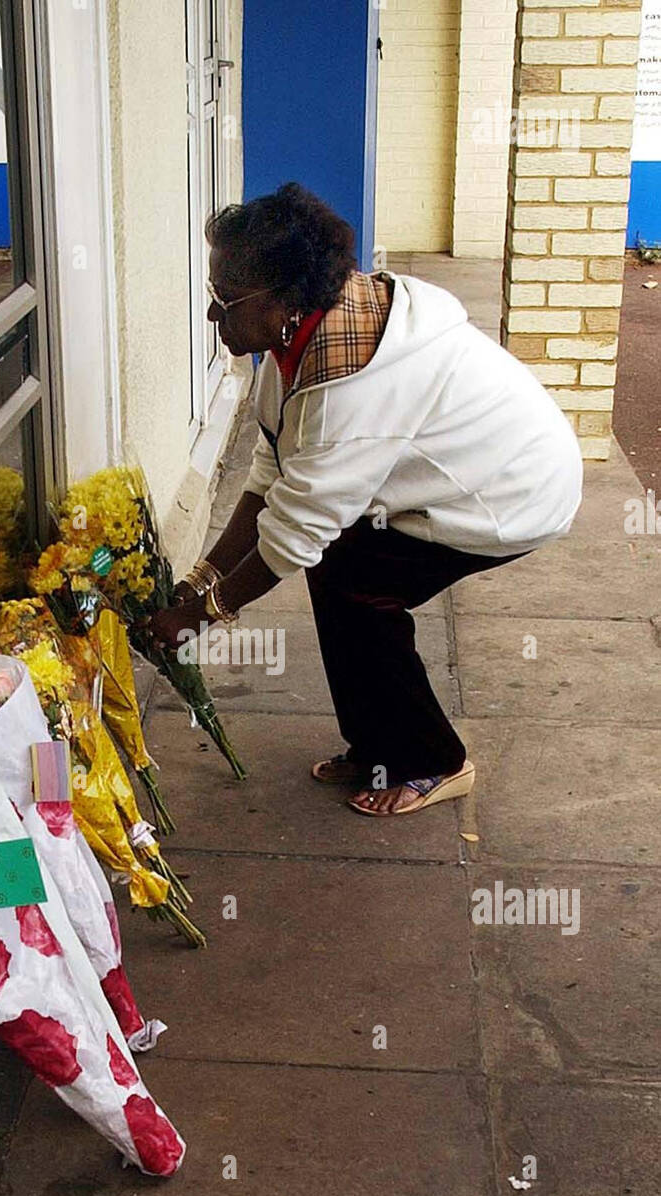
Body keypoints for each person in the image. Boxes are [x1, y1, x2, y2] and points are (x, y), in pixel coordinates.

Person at [151, 184, 583, 817]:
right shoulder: (298, 339)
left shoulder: (351, 389)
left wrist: (200, 616)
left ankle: (436, 760)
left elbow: (293, 535)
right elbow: (272, 473)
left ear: (281, 301)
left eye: (224, 301)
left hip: (512, 492)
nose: (214, 318)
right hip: (467, 473)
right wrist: (201, 578)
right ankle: (378, 746)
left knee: (359, 583)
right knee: (339, 571)